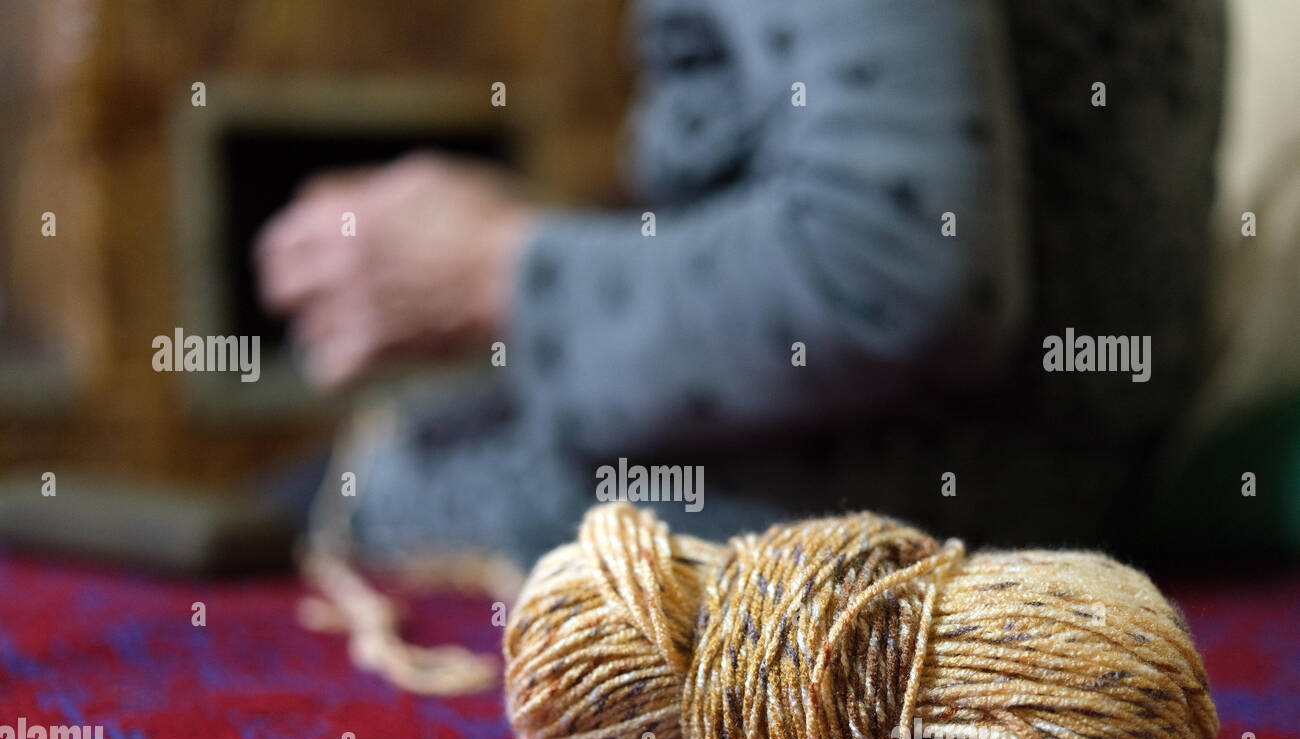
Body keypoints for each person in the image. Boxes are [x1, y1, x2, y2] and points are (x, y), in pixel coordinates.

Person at [255, 0, 1226, 567]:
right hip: (1088, 511)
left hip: (843, 526)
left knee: (283, 514)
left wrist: (487, 266)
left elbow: (895, 259)